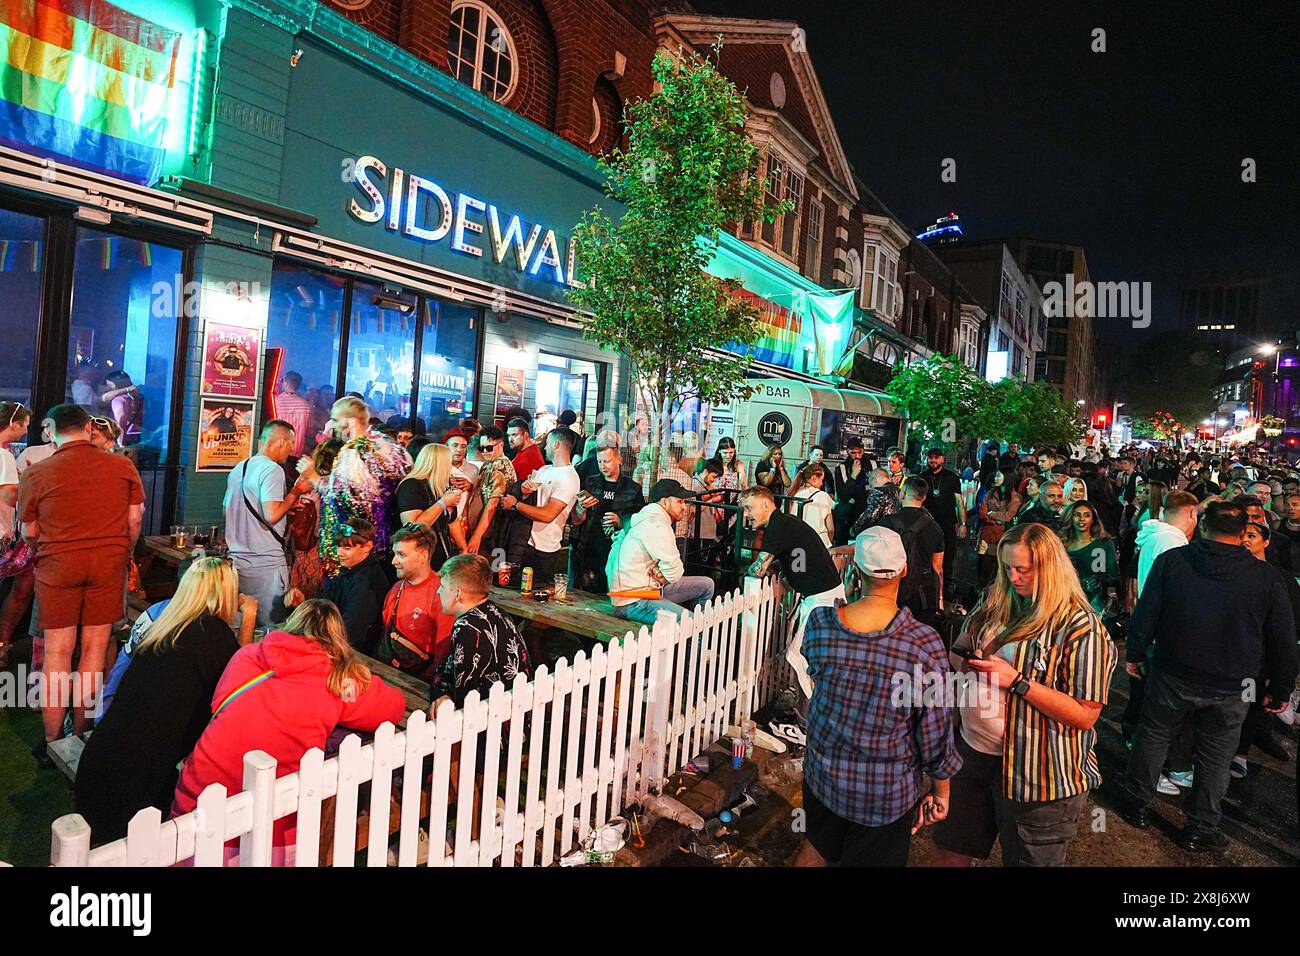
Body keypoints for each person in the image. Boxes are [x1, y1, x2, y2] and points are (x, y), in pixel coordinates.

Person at [931, 523, 1117, 867]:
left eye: (1023, 570)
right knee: (948, 848)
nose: (1014, 577)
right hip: (972, 754)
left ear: (1050, 568)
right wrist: (966, 662)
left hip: (1037, 771)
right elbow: (958, 651)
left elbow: (1085, 714)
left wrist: (1017, 682)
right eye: (1007, 568)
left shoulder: (1080, 627)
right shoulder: (997, 601)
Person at [1116, 501, 1298, 851]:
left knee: (1154, 736)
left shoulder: (1174, 562)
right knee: (1216, 756)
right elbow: (1282, 639)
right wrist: (1281, 687)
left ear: (1203, 527)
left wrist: (1136, 653)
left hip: (1175, 670)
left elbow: (1147, 611)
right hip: (1232, 683)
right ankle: (1200, 825)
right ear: (1243, 532)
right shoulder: (1265, 577)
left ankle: (1136, 800)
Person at [172, 600, 405, 863]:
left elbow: (219, 703)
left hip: (200, 789)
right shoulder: (336, 679)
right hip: (267, 812)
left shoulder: (249, 655)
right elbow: (393, 706)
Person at [796, 527, 961, 867]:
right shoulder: (922, 643)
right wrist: (941, 790)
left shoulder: (822, 624)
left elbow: (816, 669)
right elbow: (933, 730)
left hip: (823, 778)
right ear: (904, 571)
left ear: (856, 571)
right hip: (884, 794)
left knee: (818, 847)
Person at [74, 557, 254, 842]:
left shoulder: (166, 629)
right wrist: (250, 619)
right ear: (225, 593)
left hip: (99, 772)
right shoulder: (211, 633)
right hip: (135, 793)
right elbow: (241, 690)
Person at [17, 403, 145, 764]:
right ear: (89, 427)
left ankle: (51, 741)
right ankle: (81, 733)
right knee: (93, 651)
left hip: (58, 566)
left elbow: (30, 531)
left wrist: (44, 551)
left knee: (57, 653)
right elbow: (134, 521)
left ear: (52, 430)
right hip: (107, 564)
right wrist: (124, 551)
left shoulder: (38, 472)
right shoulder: (122, 465)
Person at [742, 486, 846, 698]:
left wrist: (748, 573)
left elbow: (758, 569)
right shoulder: (787, 523)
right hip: (825, 597)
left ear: (765, 504)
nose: (746, 515)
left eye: (748, 508)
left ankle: (807, 716)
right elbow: (798, 561)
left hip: (821, 600)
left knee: (801, 657)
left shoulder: (778, 526)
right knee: (806, 656)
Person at [223, 420, 311, 628]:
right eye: (291, 443)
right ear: (281, 441)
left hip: (238, 561)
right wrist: (296, 491)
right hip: (266, 564)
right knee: (269, 628)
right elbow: (271, 515)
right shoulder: (273, 470)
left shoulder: (239, 468)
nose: (292, 450)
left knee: (241, 626)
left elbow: (225, 509)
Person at [318, 396, 411, 574]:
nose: (333, 425)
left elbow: (353, 500)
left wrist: (316, 482)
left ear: (350, 422)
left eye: (336, 420)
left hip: (356, 549)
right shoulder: (388, 446)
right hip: (385, 543)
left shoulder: (353, 453)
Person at [606, 479, 715, 626]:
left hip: (647, 589)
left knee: (707, 585)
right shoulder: (656, 524)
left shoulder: (648, 519)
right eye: (680, 501)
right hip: (634, 601)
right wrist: (664, 576)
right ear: (664, 502)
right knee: (696, 624)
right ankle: (691, 640)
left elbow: (672, 572)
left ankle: (682, 640)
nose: (684, 507)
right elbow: (675, 572)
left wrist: (662, 576)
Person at [431, 554, 532, 707]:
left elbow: (463, 695)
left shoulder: (467, 628)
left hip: (493, 720)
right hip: (518, 710)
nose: (438, 591)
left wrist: (441, 696)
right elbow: (446, 670)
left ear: (458, 594)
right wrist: (441, 693)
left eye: (443, 586)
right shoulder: (498, 611)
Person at [498, 428, 579, 582]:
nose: (544, 447)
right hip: (524, 541)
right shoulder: (544, 470)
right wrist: (525, 491)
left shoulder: (569, 477)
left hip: (545, 549)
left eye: (547, 443)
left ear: (556, 445)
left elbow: (548, 515)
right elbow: (532, 498)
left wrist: (516, 504)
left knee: (536, 593)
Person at [377, 524, 456, 680]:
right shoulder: (396, 588)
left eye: (401, 555)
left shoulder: (441, 594)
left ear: (423, 556)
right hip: (386, 673)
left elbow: (443, 656)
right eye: (394, 554)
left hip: (417, 683)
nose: (394, 561)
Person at [570, 444, 644, 593]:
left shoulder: (633, 488)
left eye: (607, 461)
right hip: (587, 551)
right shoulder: (590, 483)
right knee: (583, 595)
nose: (602, 466)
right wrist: (580, 508)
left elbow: (639, 524)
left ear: (619, 460)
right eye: (599, 462)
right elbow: (576, 520)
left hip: (616, 553)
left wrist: (620, 521)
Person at [315, 518, 391, 654]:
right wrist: (303, 602)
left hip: (357, 655)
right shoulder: (349, 570)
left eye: (347, 548)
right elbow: (325, 601)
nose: (339, 553)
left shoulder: (368, 584)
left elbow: (349, 632)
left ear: (367, 547)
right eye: (338, 546)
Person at [878, 477, 946, 628]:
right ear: (924, 497)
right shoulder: (935, 527)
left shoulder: (886, 523)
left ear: (903, 493)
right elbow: (937, 567)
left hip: (892, 589)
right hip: (922, 592)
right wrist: (939, 600)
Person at [395, 443, 467, 568]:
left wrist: (463, 549)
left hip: (444, 559)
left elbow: (452, 522)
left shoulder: (441, 485)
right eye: (448, 463)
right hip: (420, 562)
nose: (450, 467)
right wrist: (443, 503)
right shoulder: (410, 486)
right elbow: (413, 528)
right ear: (440, 464)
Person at [921, 448, 967, 598]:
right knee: (926, 556)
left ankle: (945, 589)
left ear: (942, 459)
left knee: (948, 556)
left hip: (947, 524)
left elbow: (959, 502)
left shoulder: (951, 477)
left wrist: (963, 524)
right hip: (927, 524)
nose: (933, 461)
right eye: (930, 458)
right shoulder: (923, 477)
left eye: (936, 458)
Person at [1059, 501, 1118, 615]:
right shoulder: (1060, 545)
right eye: (1077, 515)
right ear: (1070, 518)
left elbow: (1113, 574)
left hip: (1097, 604)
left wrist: (1112, 598)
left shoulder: (1103, 543)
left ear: (1093, 519)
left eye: (1087, 515)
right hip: (1068, 602)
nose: (1082, 519)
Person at [466, 425, 516, 557]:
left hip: (492, 533)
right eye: (481, 448)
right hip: (486, 530)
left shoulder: (501, 466)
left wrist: (477, 536)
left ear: (501, 445)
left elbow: (492, 504)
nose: (485, 452)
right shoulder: (489, 464)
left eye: (489, 448)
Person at [976, 467, 1021, 587]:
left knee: (995, 567)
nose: (995, 478)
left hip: (1000, 537)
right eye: (996, 476)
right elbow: (982, 512)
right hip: (986, 534)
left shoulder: (1015, 498)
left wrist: (992, 514)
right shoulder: (991, 492)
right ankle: (980, 591)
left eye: (998, 476)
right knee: (982, 565)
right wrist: (994, 518)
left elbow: (1007, 516)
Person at [848, 467, 902, 541]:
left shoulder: (878, 491)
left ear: (874, 479)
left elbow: (870, 515)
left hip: (880, 536)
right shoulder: (899, 491)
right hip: (896, 535)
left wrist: (855, 529)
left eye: (870, 480)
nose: (870, 485)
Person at [831, 439, 869, 545]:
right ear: (848, 451)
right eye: (853, 452)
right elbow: (843, 495)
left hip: (865, 513)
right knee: (843, 544)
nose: (857, 456)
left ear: (863, 451)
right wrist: (853, 476)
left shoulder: (871, 465)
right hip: (846, 515)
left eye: (859, 452)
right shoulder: (842, 468)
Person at [789, 463, 835, 550]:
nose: (822, 483)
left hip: (796, 543)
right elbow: (831, 528)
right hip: (819, 542)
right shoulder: (823, 496)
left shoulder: (792, 494)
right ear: (814, 478)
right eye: (821, 480)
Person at [274, 371, 314, 456]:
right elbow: (309, 429)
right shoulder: (305, 405)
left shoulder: (276, 402)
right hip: (297, 451)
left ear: (285, 381)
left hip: (279, 450)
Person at [102, 371, 143, 445]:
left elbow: (121, 420)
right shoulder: (138, 398)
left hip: (126, 438)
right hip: (140, 434)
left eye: (110, 385)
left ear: (118, 383)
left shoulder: (118, 400)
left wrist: (121, 443)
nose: (108, 388)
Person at [506, 418, 545, 484]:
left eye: (514, 435)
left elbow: (519, 489)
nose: (510, 440)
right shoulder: (525, 449)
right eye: (509, 435)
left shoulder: (529, 457)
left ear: (526, 435)